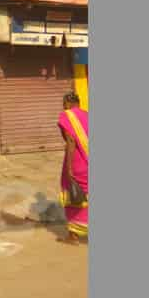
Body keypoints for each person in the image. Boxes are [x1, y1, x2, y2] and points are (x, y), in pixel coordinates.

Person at [57, 91, 89, 243]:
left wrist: (69, 168)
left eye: (64, 105)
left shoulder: (67, 116)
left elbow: (70, 142)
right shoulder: (87, 115)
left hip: (76, 162)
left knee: (74, 197)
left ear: (67, 104)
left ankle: (74, 235)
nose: (63, 108)